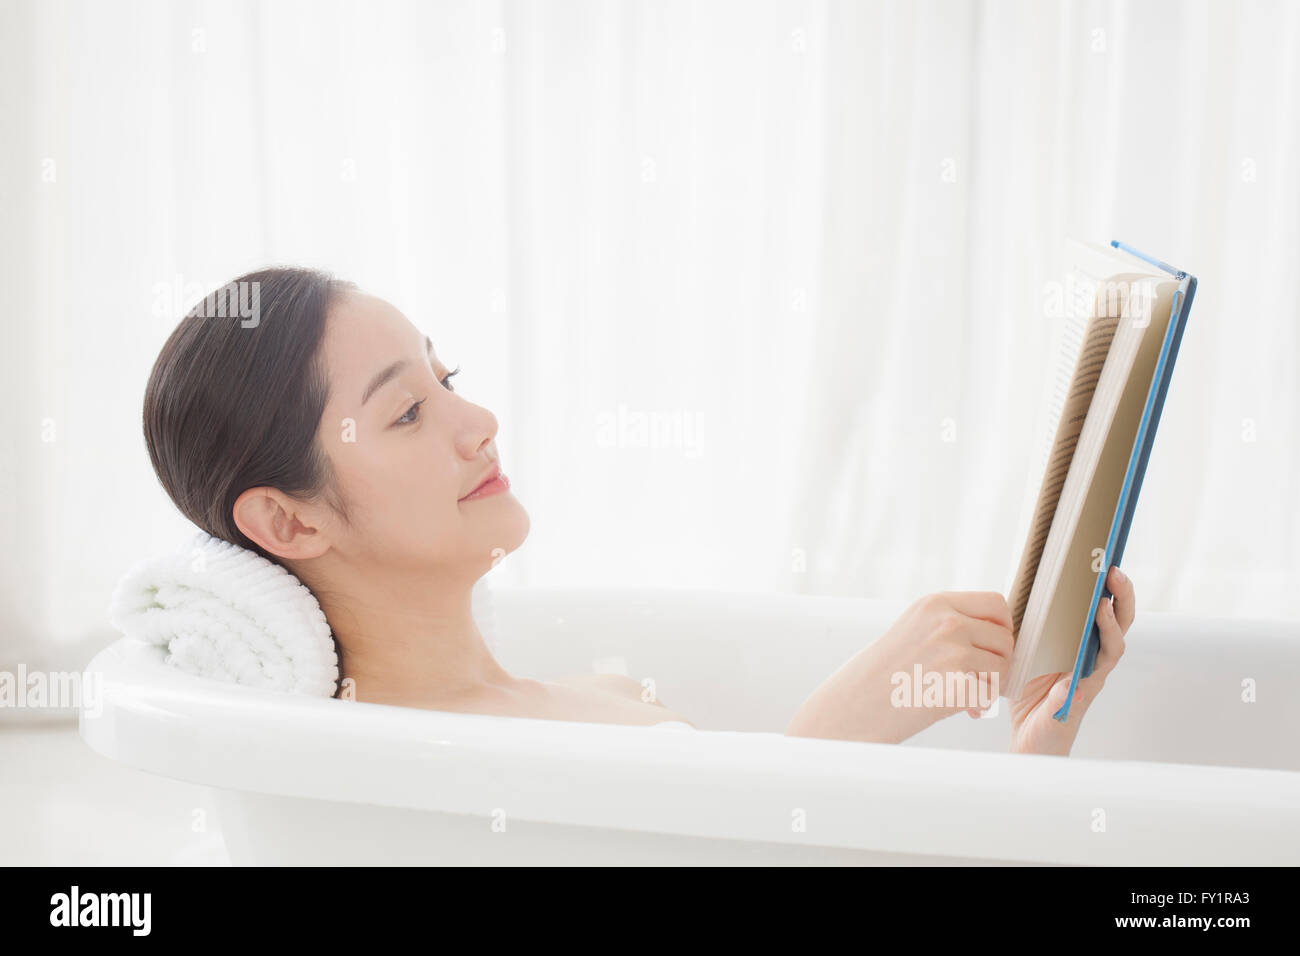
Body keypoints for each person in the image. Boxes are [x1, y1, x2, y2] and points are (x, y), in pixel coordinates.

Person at [143, 267, 1131, 754]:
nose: (480, 422)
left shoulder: (584, 698)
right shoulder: (410, 765)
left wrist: (1037, 746)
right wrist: (851, 714)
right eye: (407, 410)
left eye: (451, 379)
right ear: (289, 523)